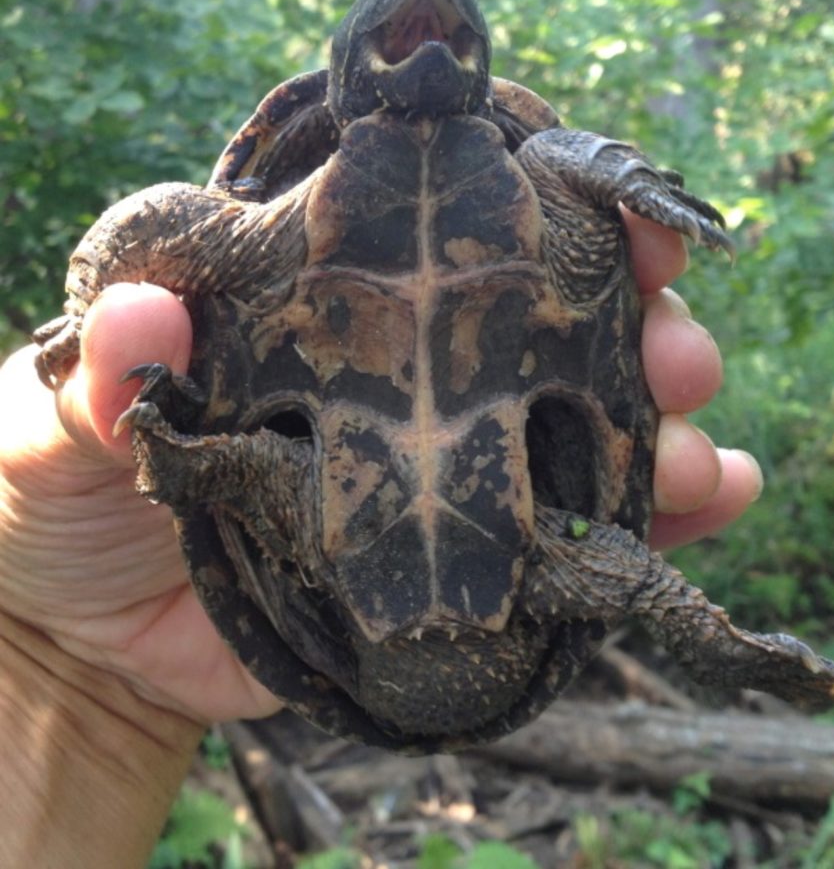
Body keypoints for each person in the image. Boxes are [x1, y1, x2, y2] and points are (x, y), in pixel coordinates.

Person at [0, 212, 761, 868]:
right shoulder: (537, 557)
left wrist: (71, 671)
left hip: (344, 560)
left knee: (252, 469)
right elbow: (631, 574)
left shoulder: (266, 238)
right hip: (483, 553)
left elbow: (162, 227)